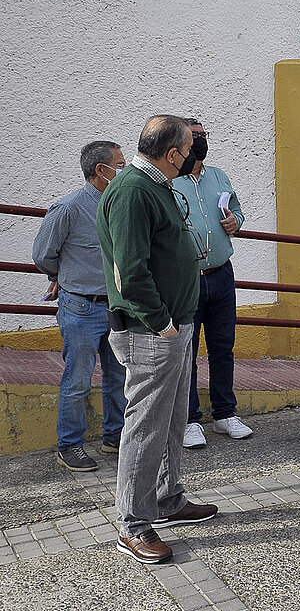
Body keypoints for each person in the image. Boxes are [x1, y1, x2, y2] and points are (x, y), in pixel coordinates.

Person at [98, 115, 218, 564]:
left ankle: (168, 498)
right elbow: (130, 271)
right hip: (153, 330)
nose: (194, 154)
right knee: (146, 425)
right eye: (190, 147)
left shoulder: (155, 183)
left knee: (170, 418)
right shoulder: (132, 191)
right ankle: (132, 524)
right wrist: (162, 322)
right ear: (173, 153)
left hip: (173, 324)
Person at [32, 141, 128, 473]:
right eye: (120, 163)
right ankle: (69, 445)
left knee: (118, 377)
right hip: (81, 309)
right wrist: (62, 274)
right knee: (78, 380)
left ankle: (115, 436)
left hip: (116, 307)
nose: (125, 168)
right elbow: (43, 254)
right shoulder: (69, 208)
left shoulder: (119, 204)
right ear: (101, 170)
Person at [173, 118, 252, 449]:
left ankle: (224, 414)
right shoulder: (170, 181)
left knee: (223, 347)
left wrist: (236, 221)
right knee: (186, 351)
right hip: (187, 279)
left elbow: (236, 211)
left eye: (204, 135)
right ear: (180, 145)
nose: (201, 141)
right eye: (195, 137)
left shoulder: (219, 175)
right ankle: (190, 419)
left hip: (221, 274)